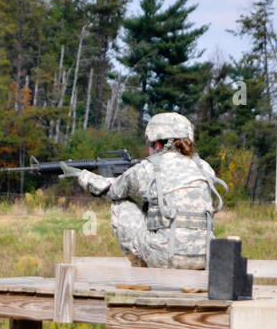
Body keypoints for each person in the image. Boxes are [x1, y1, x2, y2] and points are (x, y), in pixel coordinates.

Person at [76, 112, 226, 269]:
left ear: (158, 144)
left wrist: (84, 177)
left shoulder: (149, 167)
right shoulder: (205, 167)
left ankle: (141, 269)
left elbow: (112, 190)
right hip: (206, 258)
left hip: (165, 258)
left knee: (121, 204)